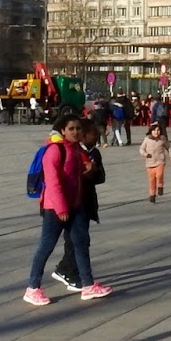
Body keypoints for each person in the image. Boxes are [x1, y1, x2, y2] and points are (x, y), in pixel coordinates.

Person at [22, 113, 102, 305]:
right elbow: (53, 182)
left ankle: (88, 285)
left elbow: (73, 178)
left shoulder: (74, 149)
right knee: (46, 247)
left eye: (78, 128)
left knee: (80, 244)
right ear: (63, 131)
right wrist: (61, 209)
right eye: (71, 129)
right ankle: (33, 288)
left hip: (75, 206)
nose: (76, 132)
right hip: (55, 209)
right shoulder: (55, 151)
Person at [52, 118, 112, 297]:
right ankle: (68, 272)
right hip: (71, 201)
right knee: (74, 240)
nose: (99, 135)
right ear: (84, 135)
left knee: (81, 239)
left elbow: (101, 177)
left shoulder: (94, 153)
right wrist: (83, 173)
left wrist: (92, 171)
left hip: (86, 201)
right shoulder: (72, 150)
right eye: (95, 133)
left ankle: (70, 271)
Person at [139, 122, 171, 203]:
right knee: (151, 180)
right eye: (154, 130)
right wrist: (145, 154)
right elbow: (141, 148)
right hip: (150, 163)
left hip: (160, 161)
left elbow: (168, 147)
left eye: (158, 130)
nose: (156, 132)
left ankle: (160, 186)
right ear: (151, 131)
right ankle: (152, 195)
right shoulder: (147, 139)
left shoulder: (162, 138)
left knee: (159, 174)